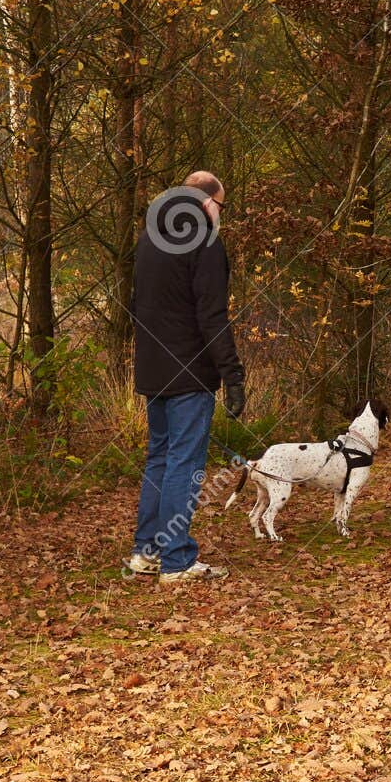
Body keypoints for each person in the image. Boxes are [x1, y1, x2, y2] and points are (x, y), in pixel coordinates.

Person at [125, 170, 246, 583]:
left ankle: (147, 553)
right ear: (208, 202)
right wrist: (232, 375)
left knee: (160, 458)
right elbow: (212, 316)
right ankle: (177, 561)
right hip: (190, 372)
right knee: (185, 463)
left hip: (153, 370)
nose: (220, 215)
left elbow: (138, 304)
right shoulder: (205, 241)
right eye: (221, 206)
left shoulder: (148, 240)